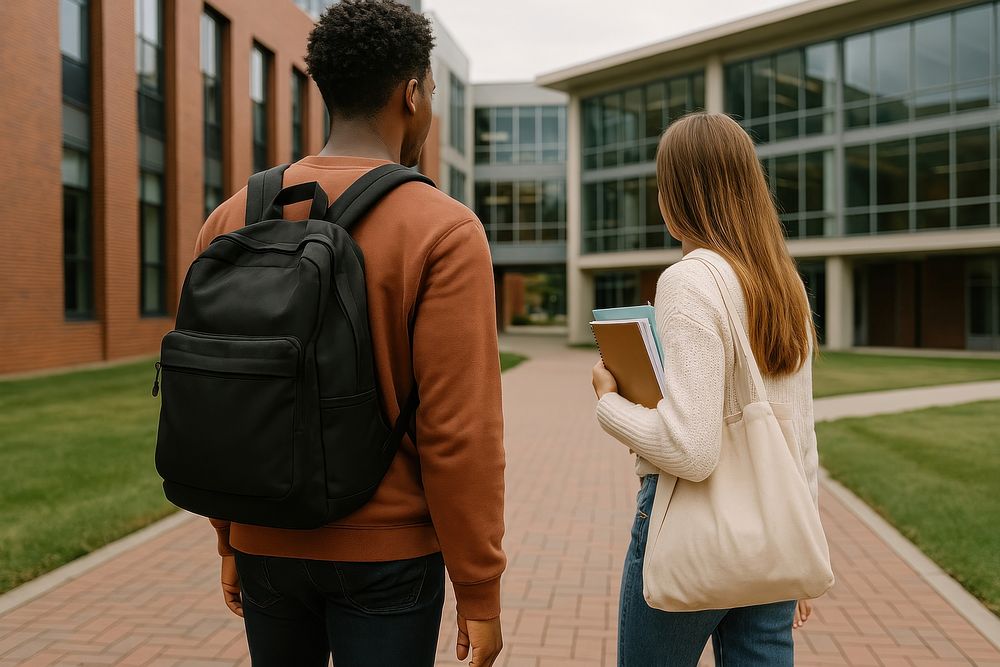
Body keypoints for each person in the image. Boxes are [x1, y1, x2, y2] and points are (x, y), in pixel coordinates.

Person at [193, 2, 505, 665]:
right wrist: (479, 588)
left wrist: (230, 537)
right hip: (386, 555)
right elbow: (459, 431)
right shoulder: (443, 228)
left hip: (264, 542)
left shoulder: (231, 219)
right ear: (411, 93)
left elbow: (216, 399)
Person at [591, 112, 820, 667]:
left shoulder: (689, 279)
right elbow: (801, 436)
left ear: (679, 195)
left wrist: (609, 402)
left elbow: (691, 450)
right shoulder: (783, 282)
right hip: (774, 531)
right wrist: (804, 550)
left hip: (693, 528)